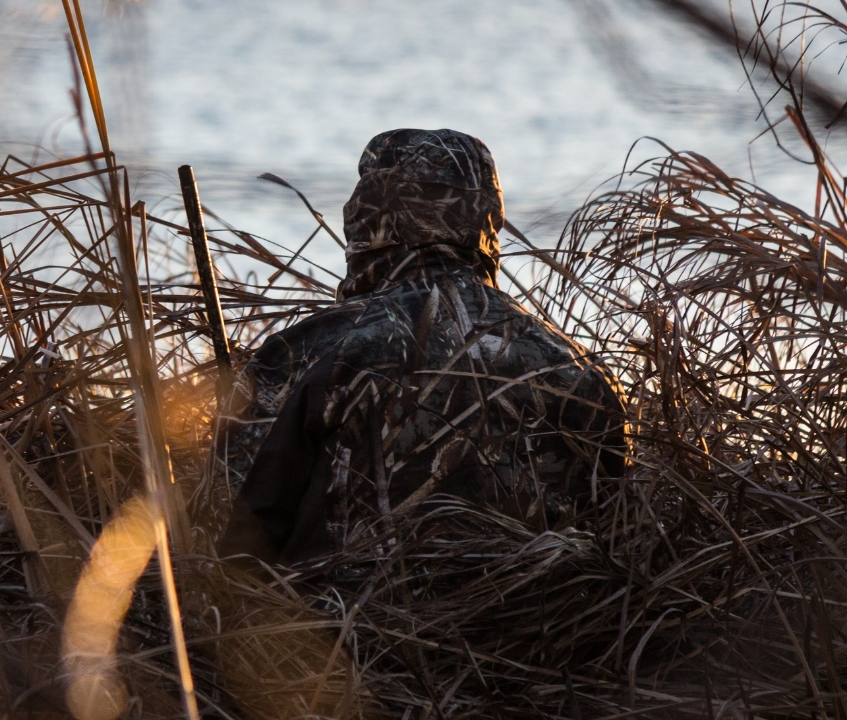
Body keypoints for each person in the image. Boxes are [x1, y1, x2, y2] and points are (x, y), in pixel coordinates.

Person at [217, 128, 627, 566]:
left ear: (365, 213)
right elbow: (613, 542)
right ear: (489, 219)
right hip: (543, 629)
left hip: (335, 631)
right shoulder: (575, 369)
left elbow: (225, 544)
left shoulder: (309, 350)